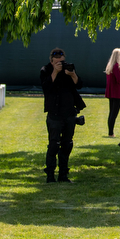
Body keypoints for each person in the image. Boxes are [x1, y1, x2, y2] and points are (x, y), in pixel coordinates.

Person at [40, 47, 86, 183]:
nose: (60, 63)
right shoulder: (46, 70)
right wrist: (55, 71)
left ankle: (63, 174)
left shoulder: (69, 69)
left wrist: (72, 74)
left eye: (62, 61)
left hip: (69, 112)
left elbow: (79, 85)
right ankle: (50, 175)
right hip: (54, 113)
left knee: (67, 144)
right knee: (53, 145)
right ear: (52, 61)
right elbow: (46, 87)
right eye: (57, 61)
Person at [104, 48, 120, 137]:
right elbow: (119, 80)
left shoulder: (110, 65)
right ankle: (110, 133)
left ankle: (110, 132)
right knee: (114, 113)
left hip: (111, 92)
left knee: (111, 112)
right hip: (116, 92)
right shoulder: (116, 66)